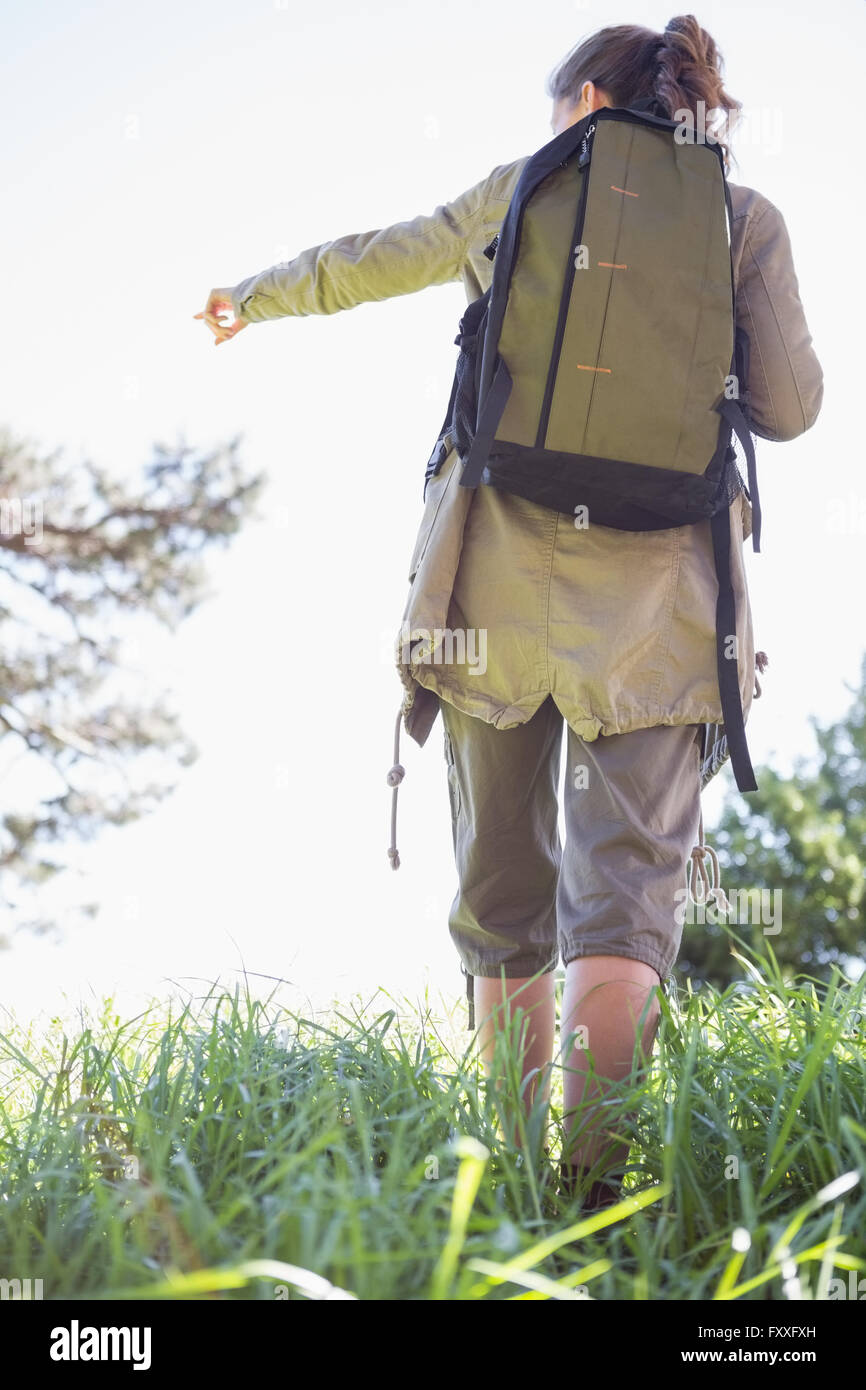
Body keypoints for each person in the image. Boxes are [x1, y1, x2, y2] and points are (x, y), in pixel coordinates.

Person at [195, 16, 823, 1210]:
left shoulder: (519, 192)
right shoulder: (742, 220)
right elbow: (789, 409)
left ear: (585, 101)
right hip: (659, 610)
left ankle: (513, 1193)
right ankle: (592, 1196)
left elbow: (373, 258)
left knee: (502, 897)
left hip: (486, 586)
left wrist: (248, 298)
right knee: (624, 893)